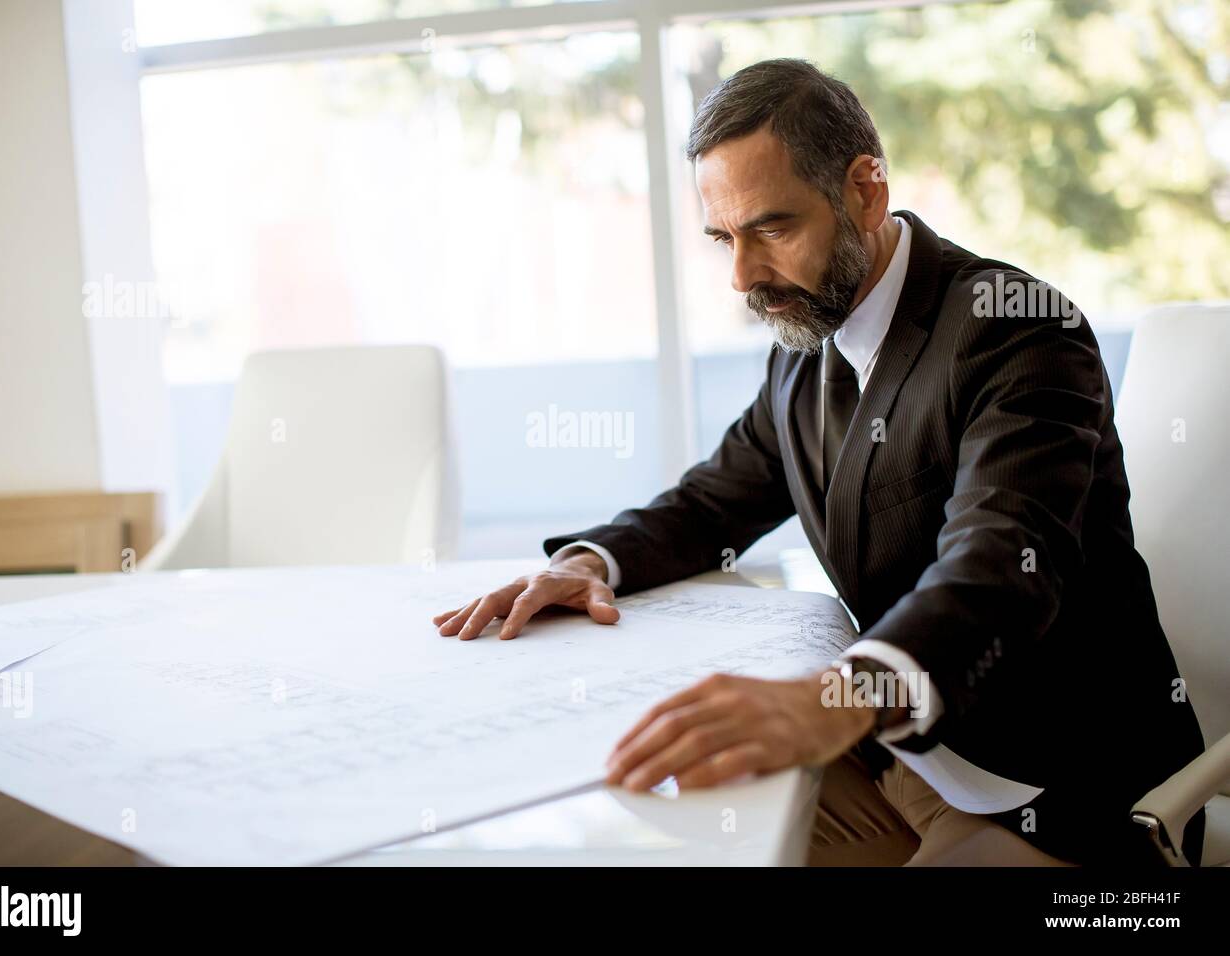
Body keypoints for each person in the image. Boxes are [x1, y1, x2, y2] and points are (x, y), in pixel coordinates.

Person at [432, 58, 1204, 867]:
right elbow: (714, 501)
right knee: (653, 838)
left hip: (1063, 799)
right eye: (724, 239)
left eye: (771, 228)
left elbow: (998, 570)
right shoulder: (804, 350)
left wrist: (836, 696)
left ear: (866, 190)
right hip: (899, 765)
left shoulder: (1019, 332)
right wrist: (593, 562)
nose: (743, 277)